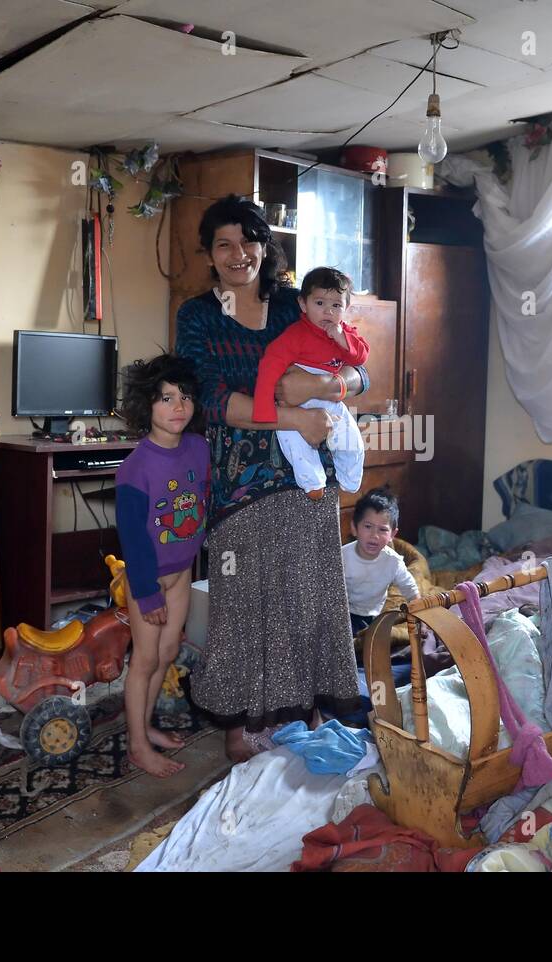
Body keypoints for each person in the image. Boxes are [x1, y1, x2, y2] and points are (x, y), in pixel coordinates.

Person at [173, 194, 367, 763]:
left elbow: (360, 370)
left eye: (248, 241)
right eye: (224, 244)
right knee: (246, 598)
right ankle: (247, 718)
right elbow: (210, 399)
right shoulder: (199, 315)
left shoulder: (296, 304)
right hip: (239, 479)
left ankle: (305, 708)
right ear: (210, 255)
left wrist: (329, 390)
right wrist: (295, 415)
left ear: (266, 246)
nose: (239, 254)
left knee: (309, 593)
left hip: (310, 474)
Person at [114, 353, 210, 777]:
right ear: (145, 407)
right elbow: (133, 540)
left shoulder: (199, 448)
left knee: (168, 651)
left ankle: (145, 725)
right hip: (149, 578)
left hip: (182, 570)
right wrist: (147, 592)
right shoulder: (136, 468)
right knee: (146, 660)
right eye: (166, 398)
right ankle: (137, 746)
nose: (177, 407)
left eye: (184, 397)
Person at [252, 266, 369, 499]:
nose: (328, 311)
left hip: (331, 402)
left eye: (336, 305)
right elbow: (269, 366)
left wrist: (340, 337)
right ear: (303, 305)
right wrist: (264, 407)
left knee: (352, 441)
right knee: (293, 441)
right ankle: (312, 481)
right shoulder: (295, 334)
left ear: (346, 308)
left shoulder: (343, 333)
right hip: (296, 404)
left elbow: (360, 358)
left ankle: (350, 480)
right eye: (320, 304)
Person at [342, 487, 420, 638]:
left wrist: (420, 618)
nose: (374, 535)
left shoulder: (393, 562)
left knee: (380, 638)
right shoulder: (342, 557)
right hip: (343, 614)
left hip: (374, 617)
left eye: (382, 530)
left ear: (392, 534)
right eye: (368, 526)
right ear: (354, 528)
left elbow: (410, 589)